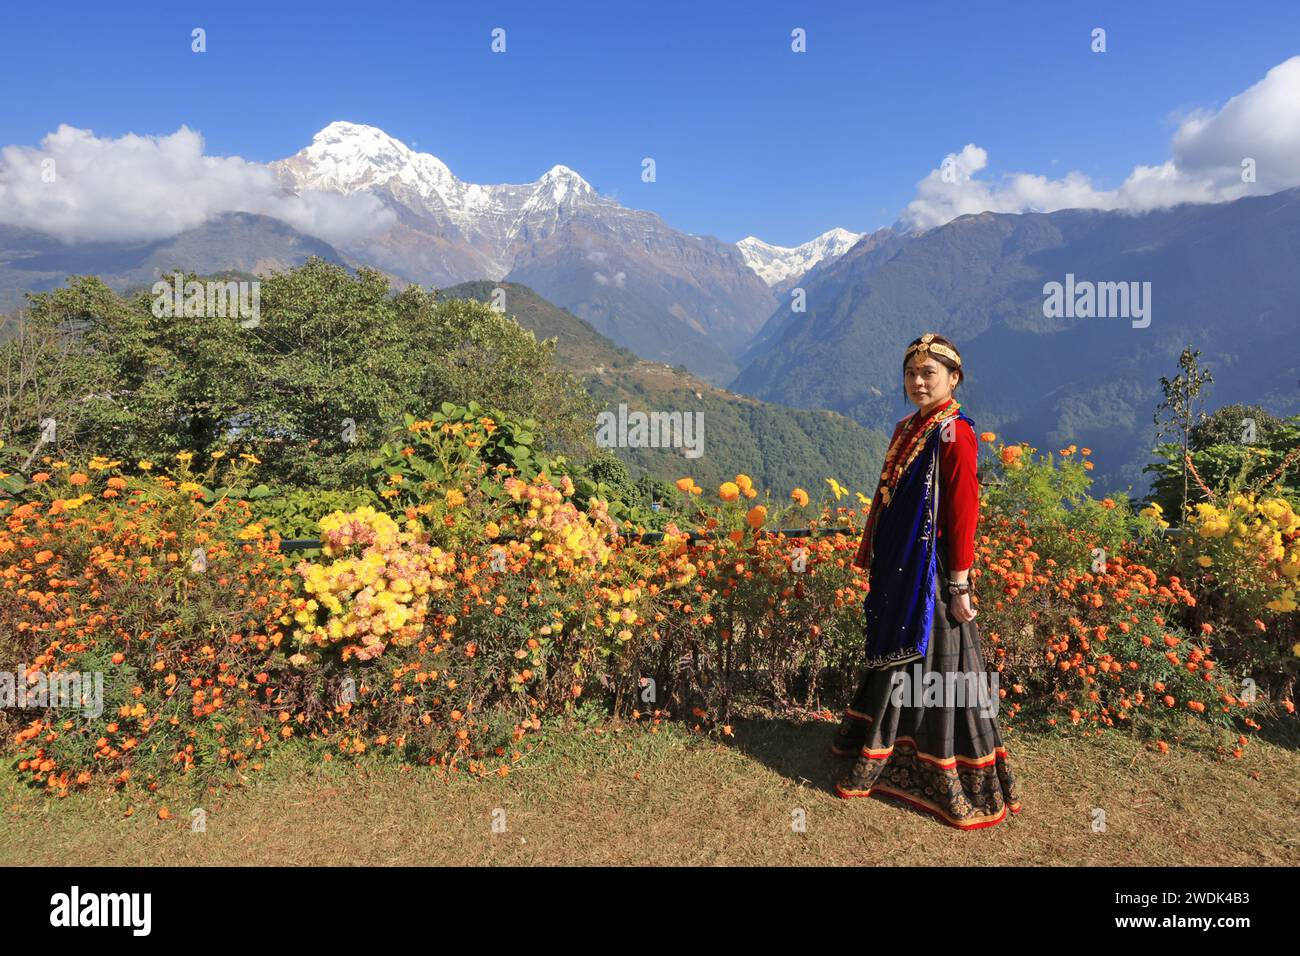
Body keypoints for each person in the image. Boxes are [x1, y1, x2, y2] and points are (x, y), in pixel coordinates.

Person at [831, 332, 1021, 830]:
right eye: (911, 373)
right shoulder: (909, 428)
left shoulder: (954, 433)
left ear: (953, 380)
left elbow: (962, 512)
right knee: (896, 653)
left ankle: (941, 761)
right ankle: (892, 745)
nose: (918, 381)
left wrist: (958, 584)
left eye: (928, 374)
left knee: (939, 662)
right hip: (900, 567)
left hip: (931, 574)